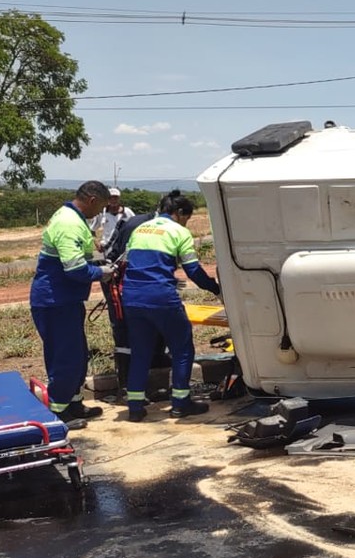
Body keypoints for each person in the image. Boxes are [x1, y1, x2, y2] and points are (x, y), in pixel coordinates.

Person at [120, 193, 220, 422]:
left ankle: (135, 407)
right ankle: (181, 403)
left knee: (140, 352)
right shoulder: (179, 232)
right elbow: (193, 271)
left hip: (132, 297)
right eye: (187, 218)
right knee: (182, 349)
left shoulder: (141, 229)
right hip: (161, 297)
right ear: (180, 213)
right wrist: (215, 289)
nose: (186, 222)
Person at [30, 181, 114, 426]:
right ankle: (60, 412)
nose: (99, 213)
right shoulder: (68, 223)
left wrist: (97, 264)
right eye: (100, 207)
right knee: (64, 357)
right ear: (91, 199)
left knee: (77, 356)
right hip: (55, 301)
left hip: (67, 299)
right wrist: (102, 273)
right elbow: (75, 269)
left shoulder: (74, 219)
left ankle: (75, 404)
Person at [101, 190, 181, 393]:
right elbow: (122, 259)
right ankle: (128, 386)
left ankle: (148, 382)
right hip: (122, 285)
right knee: (126, 333)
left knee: (149, 330)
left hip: (137, 285)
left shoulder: (143, 222)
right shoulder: (139, 226)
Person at [93, 187, 135, 253]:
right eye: (110, 198)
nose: (113, 200)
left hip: (124, 247)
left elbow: (136, 226)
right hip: (107, 248)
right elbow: (92, 230)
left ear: (119, 199)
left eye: (115, 198)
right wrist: (97, 243)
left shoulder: (127, 212)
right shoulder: (102, 212)